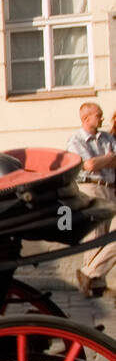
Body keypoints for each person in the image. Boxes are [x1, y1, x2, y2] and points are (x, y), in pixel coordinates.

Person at [67, 101, 116, 297]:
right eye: (99, 115)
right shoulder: (76, 140)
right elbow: (88, 165)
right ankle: (94, 284)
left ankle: (89, 275)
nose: (102, 118)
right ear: (86, 118)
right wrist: (108, 159)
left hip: (110, 188)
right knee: (95, 236)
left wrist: (100, 161)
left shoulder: (108, 138)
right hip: (90, 188)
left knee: (107, 237)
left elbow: (100, 162)